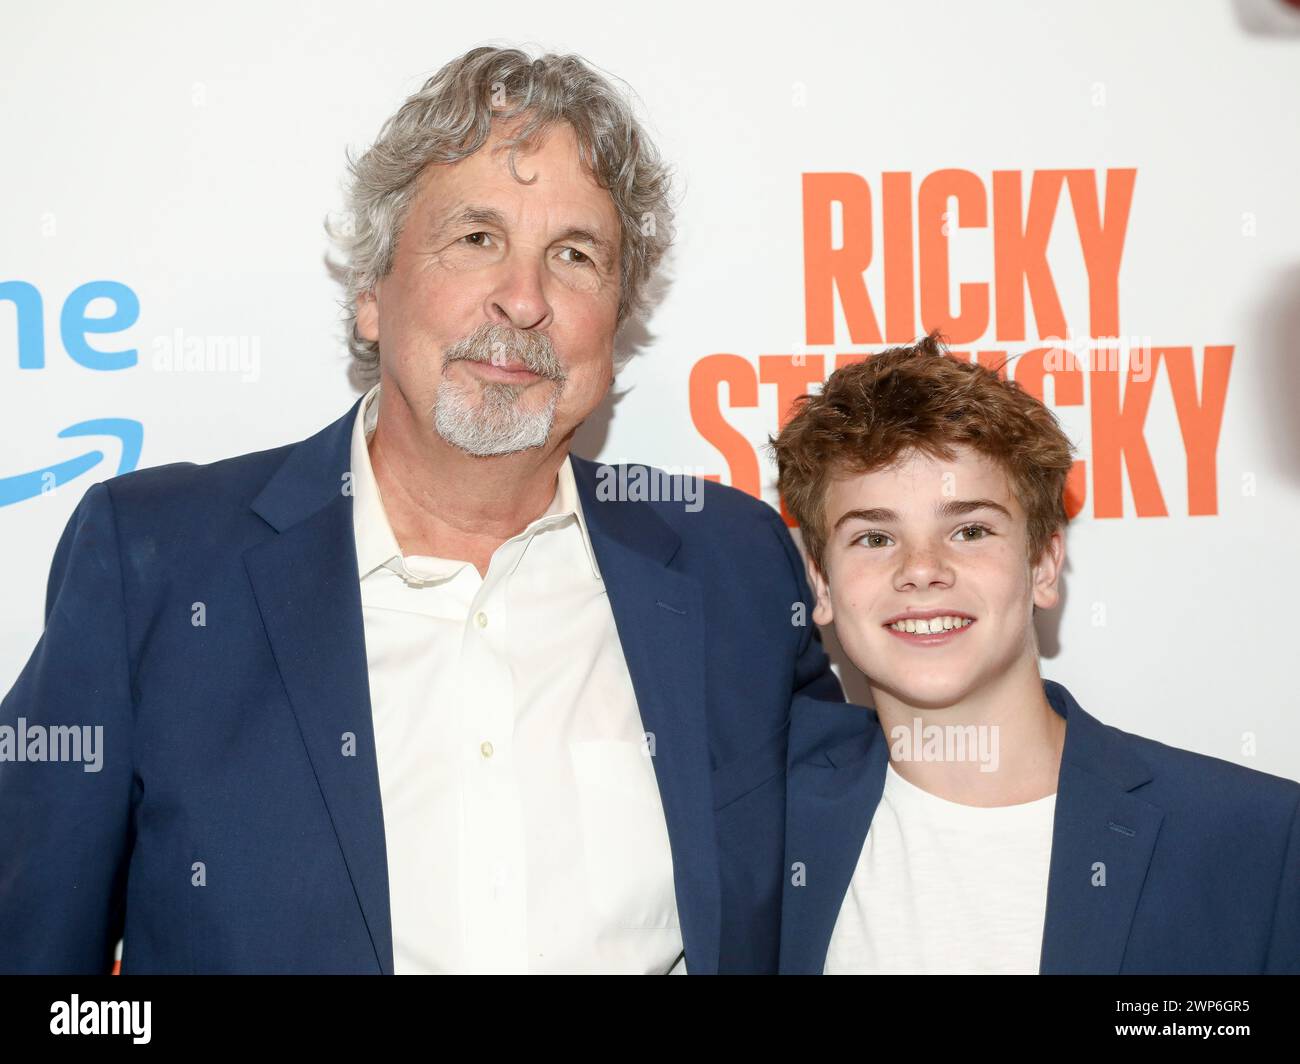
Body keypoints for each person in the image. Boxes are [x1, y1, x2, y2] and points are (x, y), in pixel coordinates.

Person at [0, 46, 841, 975]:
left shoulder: (733, 564)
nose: (523, 300)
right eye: (476, 238)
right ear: (370, 294)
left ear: (616, 322)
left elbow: (885, 835)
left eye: (574, 255)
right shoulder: (155, 560)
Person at [768, 332, 1299, 974]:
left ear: (1044, 563)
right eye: (875, 537)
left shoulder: (1256, 840)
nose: (922, 569)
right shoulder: (763, 833)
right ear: (822, 584)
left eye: (970, 530)